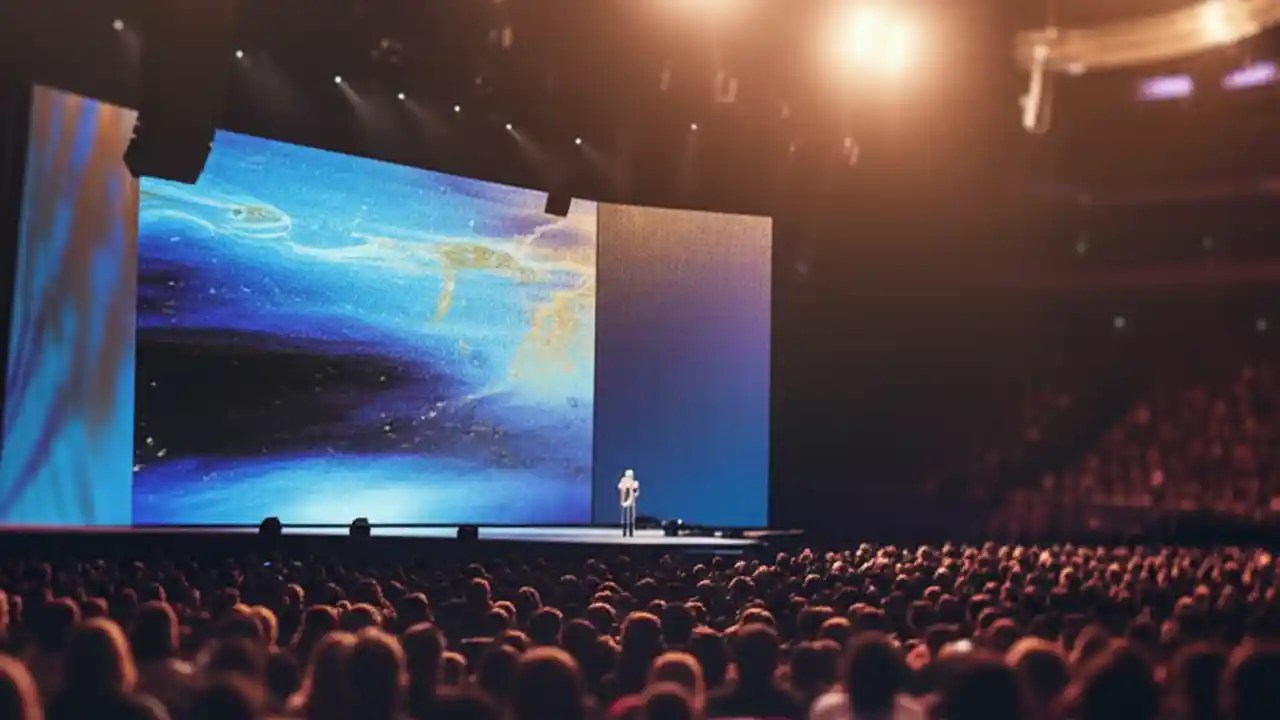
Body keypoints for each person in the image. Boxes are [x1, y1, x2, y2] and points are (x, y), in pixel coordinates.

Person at [619, 469, 640, 537]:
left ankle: (631, 532)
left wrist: (634, 491)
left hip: (631, 502)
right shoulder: (622, 482)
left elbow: (636, 492)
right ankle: (624, 532)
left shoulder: (635, 483)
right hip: (624, 502)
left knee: (631, 517)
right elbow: (620, 488)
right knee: (625, 517)